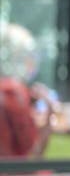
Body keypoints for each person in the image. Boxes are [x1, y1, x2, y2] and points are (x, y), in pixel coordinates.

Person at [0, 22, 58, 157]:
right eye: (28, 55)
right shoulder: (14, 93)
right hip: (14, 174)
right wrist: (50, 110)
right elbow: (34, 153)